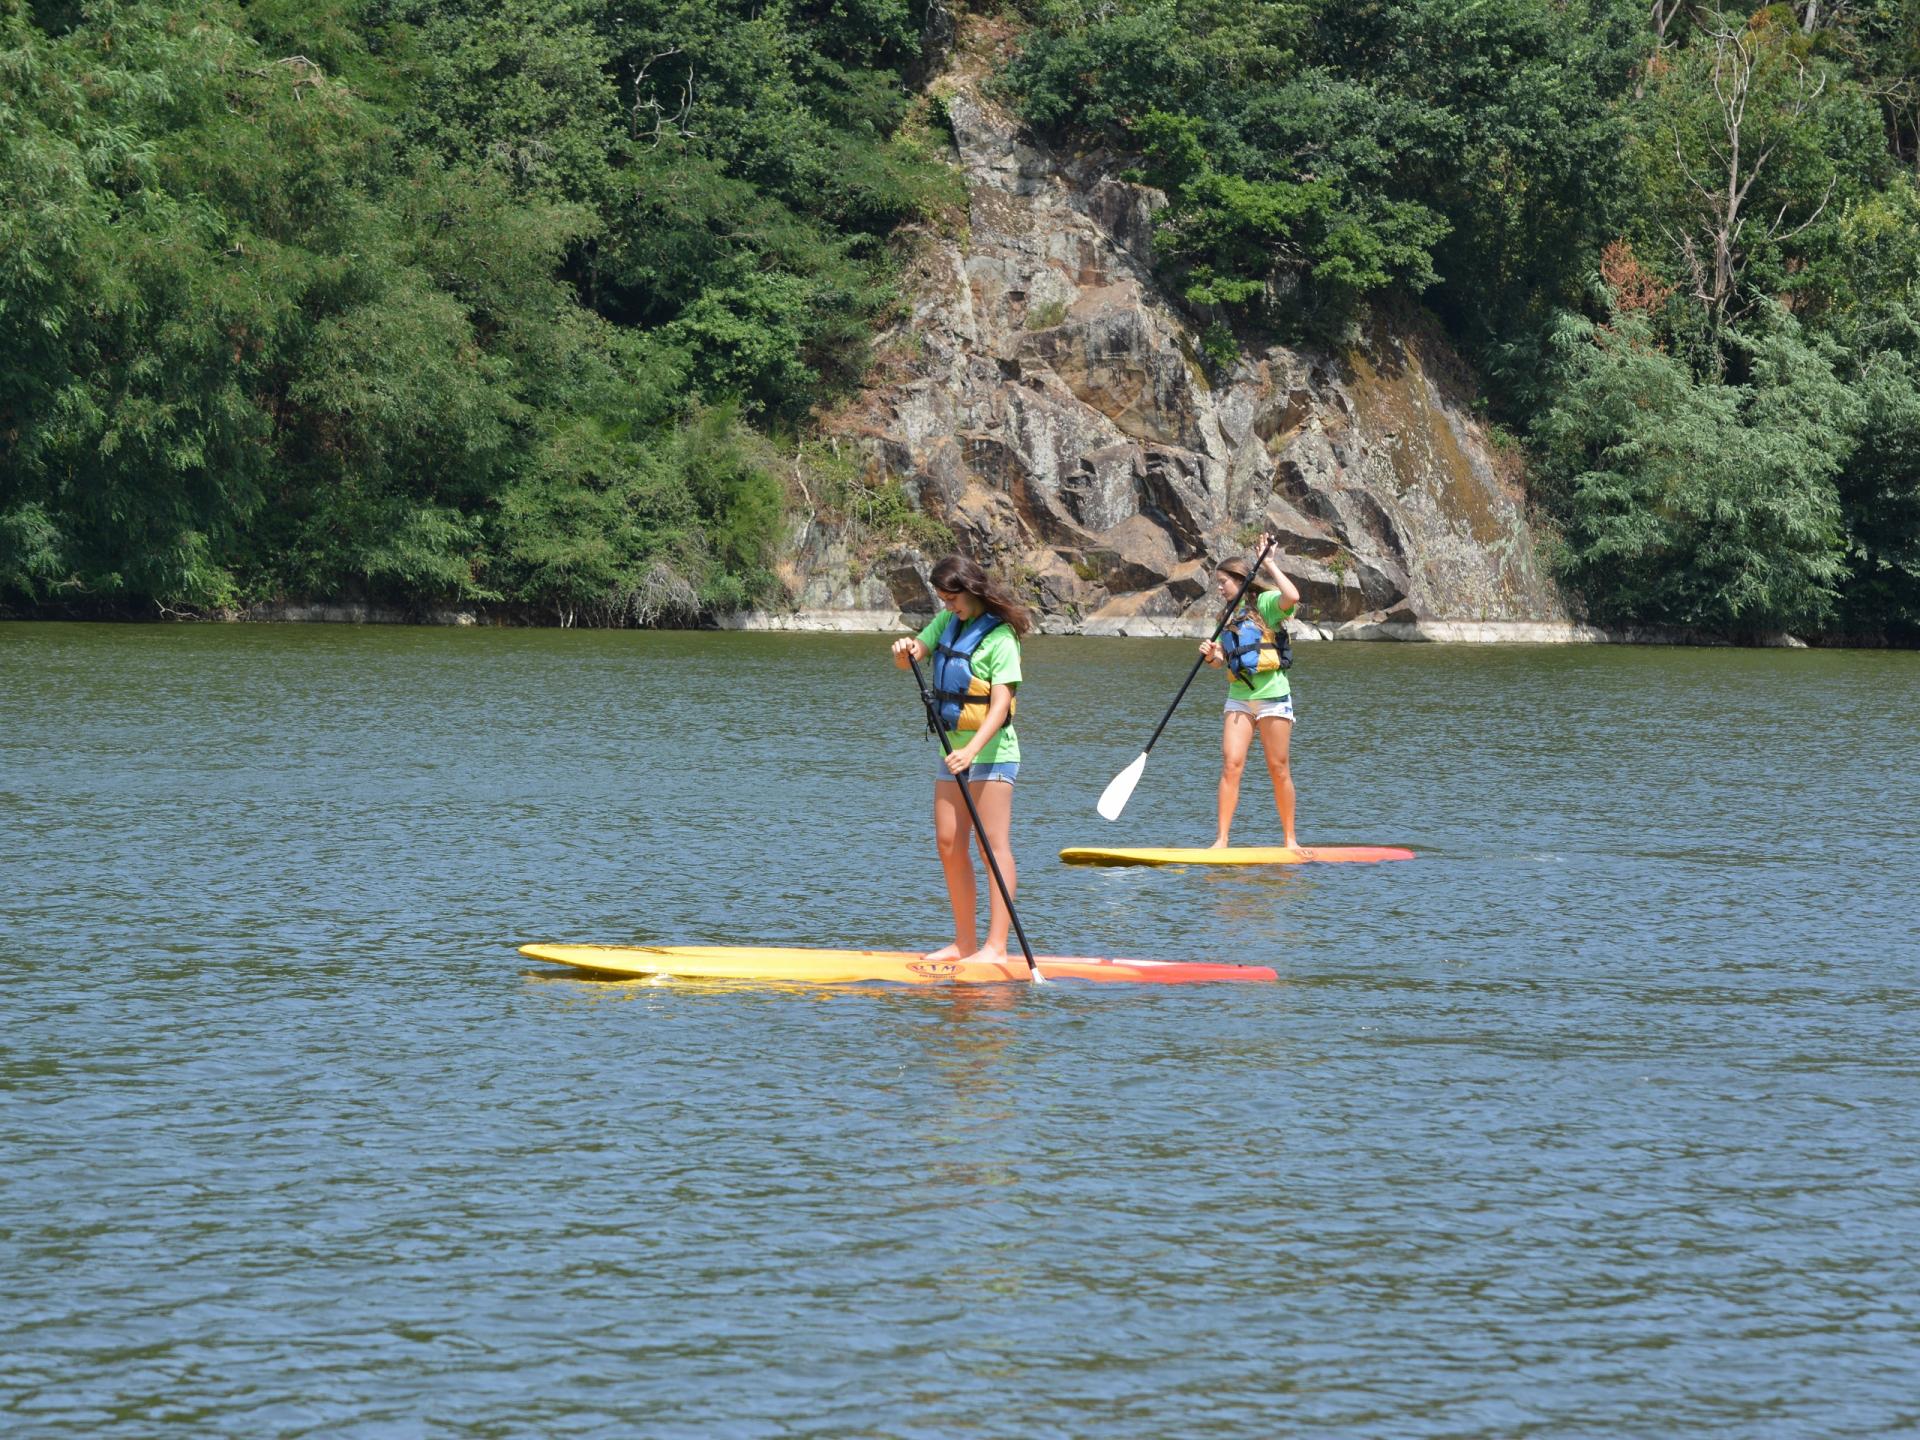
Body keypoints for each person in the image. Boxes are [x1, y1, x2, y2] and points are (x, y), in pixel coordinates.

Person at [891, 555, 1031, 965]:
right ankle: (964, 943)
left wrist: (971, 750)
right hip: (950, 752)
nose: (947, 606)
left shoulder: (1001, 638)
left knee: (991, 848)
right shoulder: (947, 623)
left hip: (992, 755)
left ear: (971, 590)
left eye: (952, 598)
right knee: (949, 843)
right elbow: (913, 655)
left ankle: (996, 948)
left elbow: (1001, 705)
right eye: (942, 599)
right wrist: (903, 650)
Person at [1198, 536, 1303, 848]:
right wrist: (1210, 656)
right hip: (1240, 699)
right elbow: (1223, 662)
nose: (1219, 588)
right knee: (1231, 764)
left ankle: (1290, 840)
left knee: (1278, 768)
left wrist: (1270, 561)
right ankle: (1221, 840)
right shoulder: (1226, 616)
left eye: (1223, 582)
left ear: (1240, 580)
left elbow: (1293, 596)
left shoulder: (1266, 606)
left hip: (1273, 698)